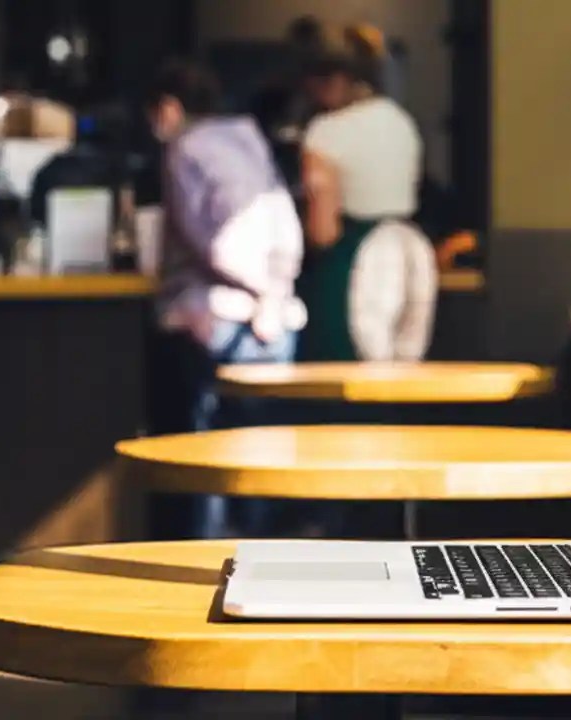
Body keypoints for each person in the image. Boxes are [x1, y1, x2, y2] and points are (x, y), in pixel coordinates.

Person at [147, 59, 305, 537]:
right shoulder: (250, 142)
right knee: (259, 455)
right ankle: (264, 566)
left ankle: (203, 570)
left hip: (214, 318)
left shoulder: (185, 151)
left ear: (169, 109)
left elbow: (213, 242)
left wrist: (257, 290)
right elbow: (286, 226)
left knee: (205, 461)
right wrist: (274, 295)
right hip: (274, 322)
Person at [297, 25, 437, 362]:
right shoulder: (401, 122)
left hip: (351, 260)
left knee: (341, 380)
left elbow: (322, 231)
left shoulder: (325, 132)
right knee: (400, 377)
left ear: (335, 79)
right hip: (410, 252)